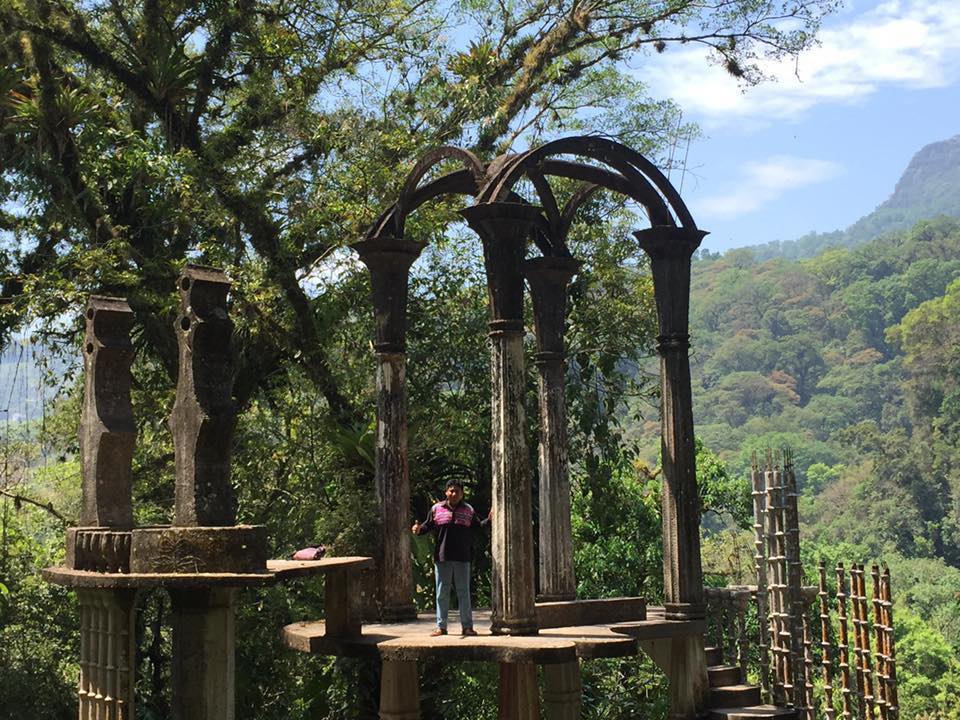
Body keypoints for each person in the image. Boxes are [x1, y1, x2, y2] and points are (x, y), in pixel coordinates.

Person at [411, 479, 490, 636]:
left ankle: (467, 627)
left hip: (462, 556)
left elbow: (478, 526)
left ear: (462, 494)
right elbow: (427, 526)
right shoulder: (436, 509)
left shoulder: (468, 510)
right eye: (451, 491)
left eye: (457, 491)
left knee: (463, 592)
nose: (454, 494)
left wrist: (490, 519)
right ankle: (441, 627)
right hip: (442, 556)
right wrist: (418, 529)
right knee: (442, 592)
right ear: (446, 492)